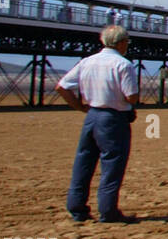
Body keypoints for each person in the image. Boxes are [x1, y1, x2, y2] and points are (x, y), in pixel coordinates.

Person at [56, 25, 140, 222]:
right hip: (113, 119)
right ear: (120, 43)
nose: (127, 45)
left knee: (83, 163)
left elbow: (61, 87)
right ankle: (108, 211)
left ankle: (77, 208)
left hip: (92, 116)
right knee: (112, 165)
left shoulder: (87, 62)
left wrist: (80, 107)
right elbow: (132, 97)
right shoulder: (123, 64)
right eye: (127, 41)